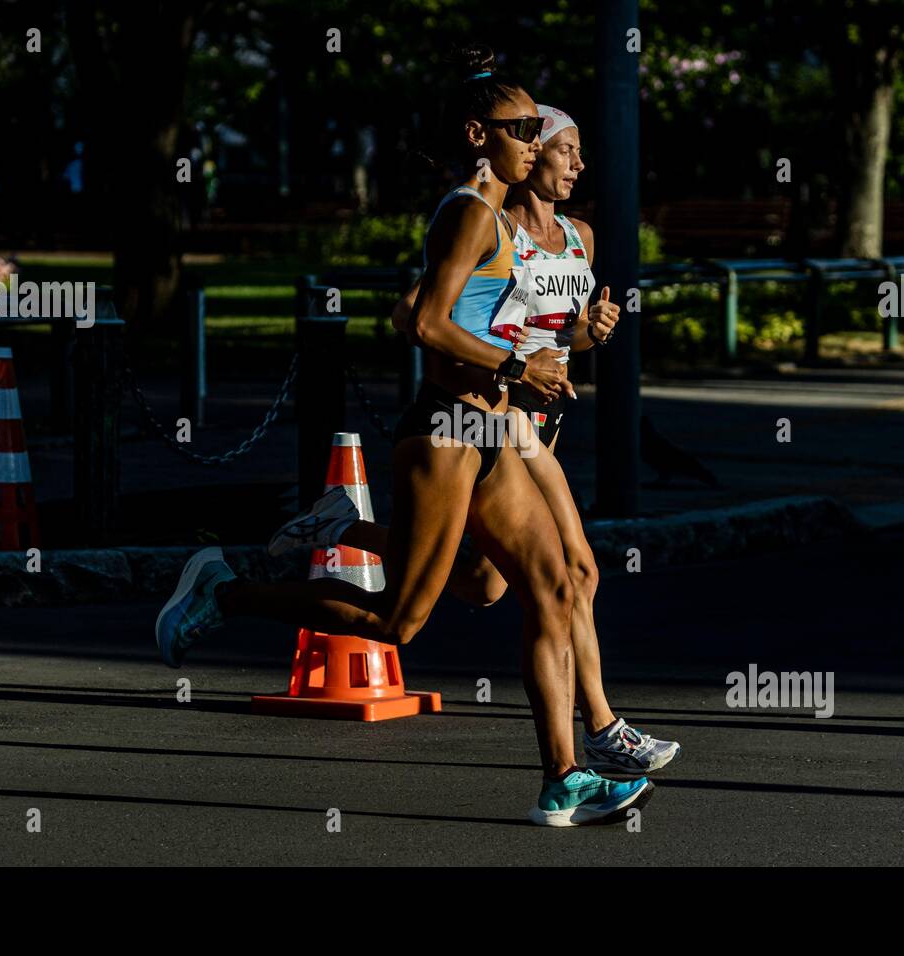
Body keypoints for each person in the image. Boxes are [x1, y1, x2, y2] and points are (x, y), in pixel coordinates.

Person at [156, 47, 654, 827]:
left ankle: (565, 777)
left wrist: (560, 347)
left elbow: (487, 319)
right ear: (475, 135)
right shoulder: (466, 212)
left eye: (534, 126)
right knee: (399, 623)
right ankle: (226, 590)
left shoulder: (508, 221)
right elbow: (423, 323)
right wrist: (518, 362)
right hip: (448, 434)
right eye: (517, 127)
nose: (532, 138)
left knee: (548, 589)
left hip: (500, 433)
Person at [273, 105, 680, 775]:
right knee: (577, 571)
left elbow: (566, 335)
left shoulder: (580, 236)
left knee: (483, 586)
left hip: (542, 419)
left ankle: (347, 525)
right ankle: (602, 727)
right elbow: (417, 312)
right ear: (533, 156)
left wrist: (592, 331)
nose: (578, 164)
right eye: (565, 149)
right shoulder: (494, 231)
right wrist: (509, 365)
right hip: (502, 419)